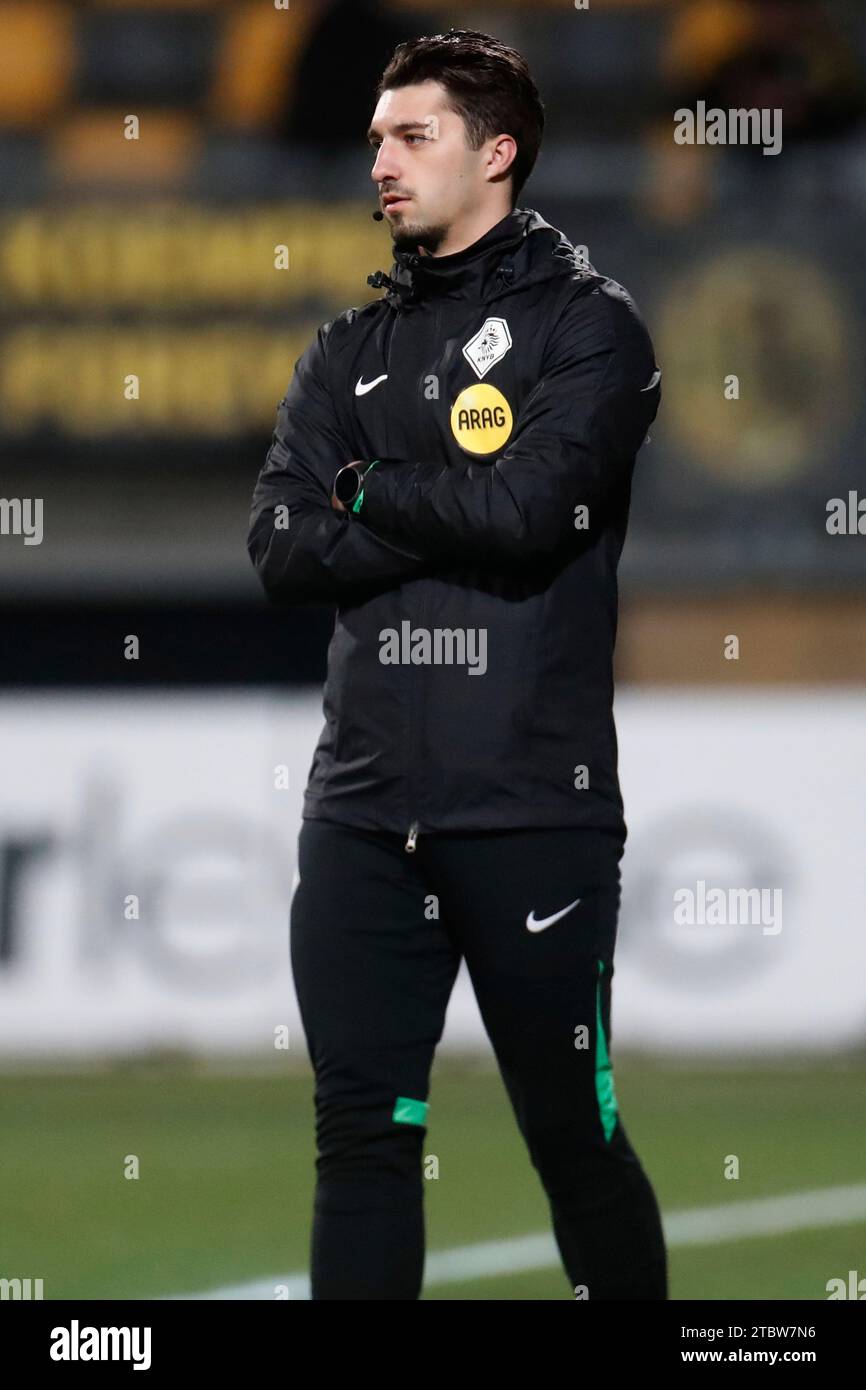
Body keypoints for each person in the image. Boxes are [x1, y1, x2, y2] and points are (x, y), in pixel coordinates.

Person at [247, 28, 666, 1301]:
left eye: (410, 134)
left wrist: (365, 491)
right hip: (364, 814)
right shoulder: (345, 349)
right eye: (376, 136)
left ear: (496, 154)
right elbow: (276, 542)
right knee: (362, 1143)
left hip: (529, 807)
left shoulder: (589, 330)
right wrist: (423, 503)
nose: (379, 158)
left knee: (571, 1140)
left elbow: (534, 516)